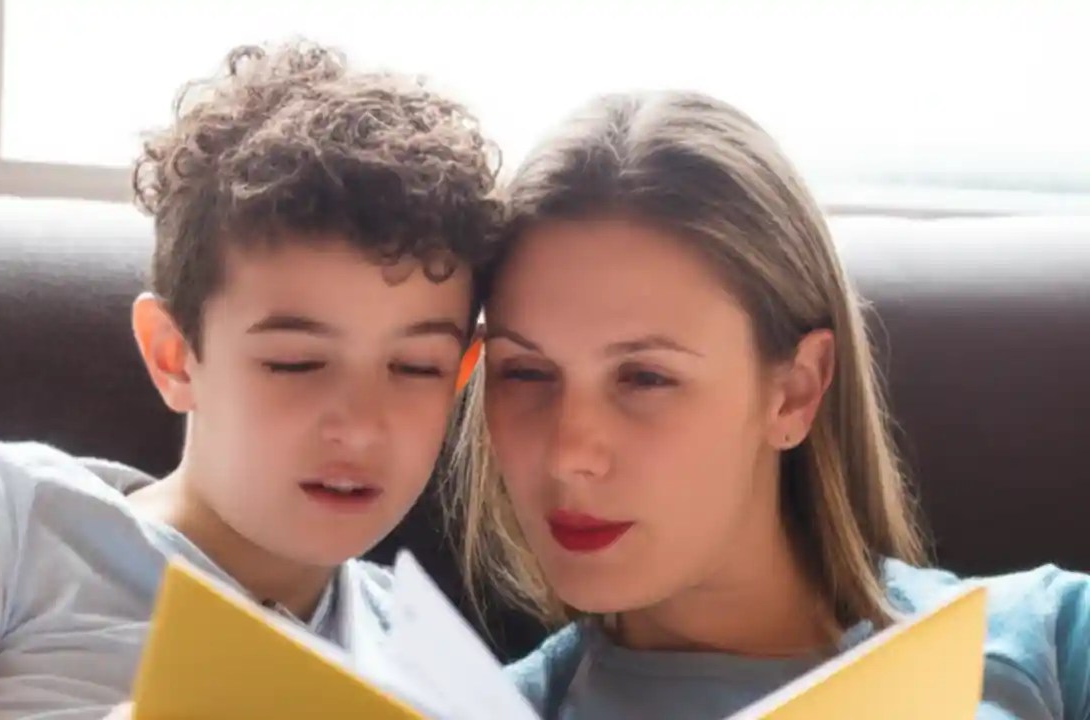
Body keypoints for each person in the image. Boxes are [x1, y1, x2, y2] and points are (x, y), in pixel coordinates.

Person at [0, 40, 501, 719]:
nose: (359, 423)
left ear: (461, 379)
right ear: (174, 357)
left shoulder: (435, 668)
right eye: (296, 362)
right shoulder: (14, 517)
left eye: (416, 368)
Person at [451, 90, 1090, 719]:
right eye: (528, 373)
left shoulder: (1053, 641)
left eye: (645, 378)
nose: (569, 454)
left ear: (795, 391)